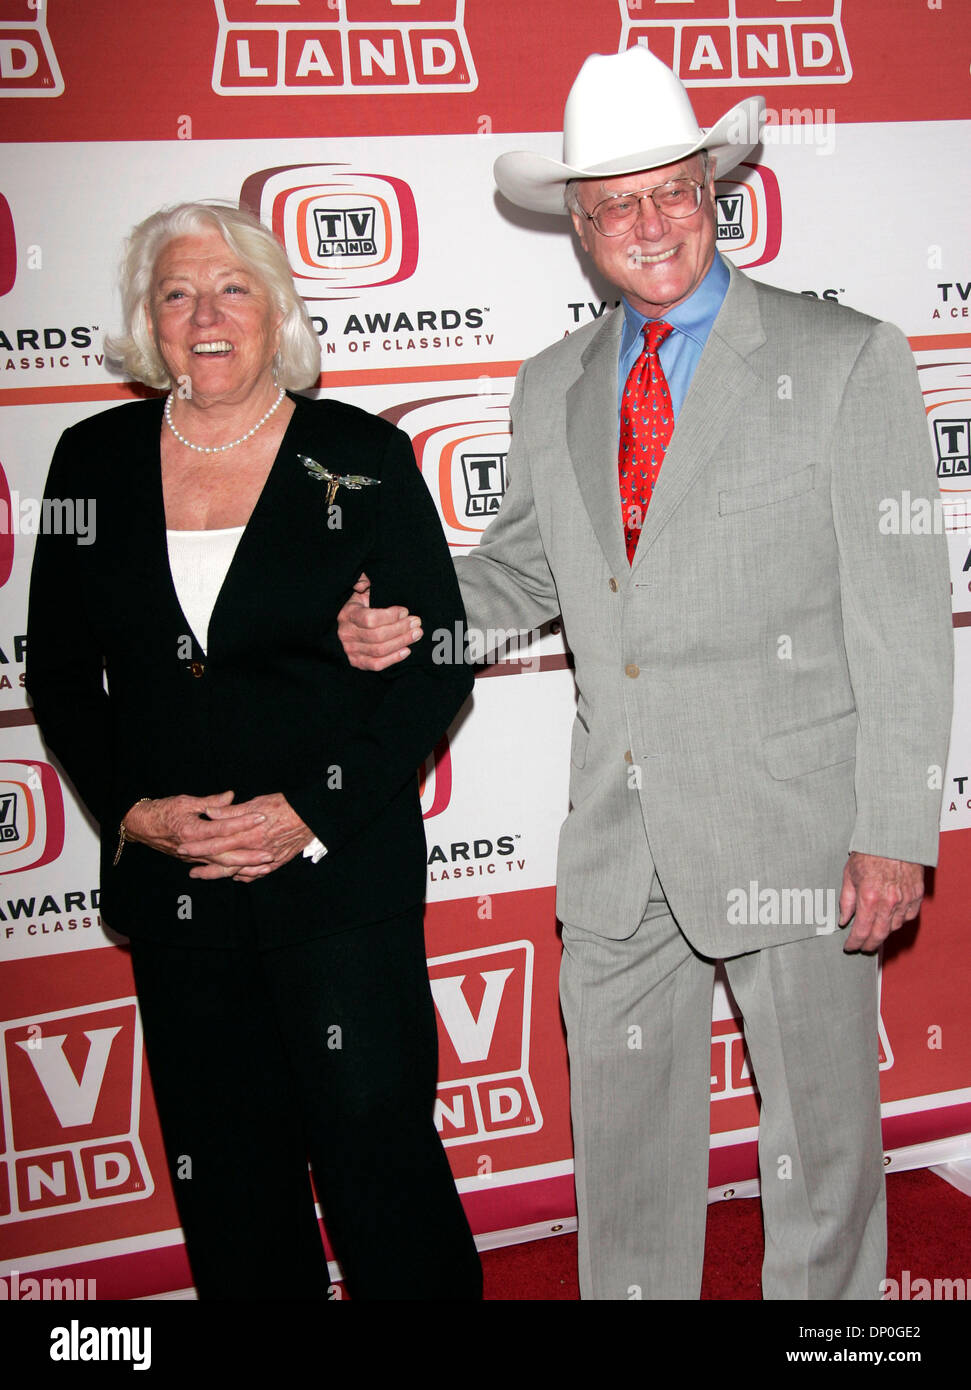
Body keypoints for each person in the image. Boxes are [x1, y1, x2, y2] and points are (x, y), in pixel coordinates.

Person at [337, 48, 954, 1300]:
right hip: (616, 839)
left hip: (794, 828)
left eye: (670, 190)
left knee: (820, 1154)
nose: (646, 223)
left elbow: (902, 617)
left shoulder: (844, 357)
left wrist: (893, 830)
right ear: (579, 226)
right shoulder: (552, 383)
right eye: (613, 202)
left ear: (714, 189)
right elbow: (521, 575)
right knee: (621, 1155)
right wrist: (409, 621)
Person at [26, 201, 481, 1300]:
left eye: (233, 288)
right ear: (149, 321)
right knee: (228, 1179)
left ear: (278, 310)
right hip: (183, 892)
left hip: (336, 879)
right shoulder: (91, 460)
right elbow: (56, 670)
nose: (205, 314)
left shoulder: (359, 454)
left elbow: (442, 656)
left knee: (378, 1163)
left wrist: (308, 814)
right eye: (177, 293)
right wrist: (135, 813)